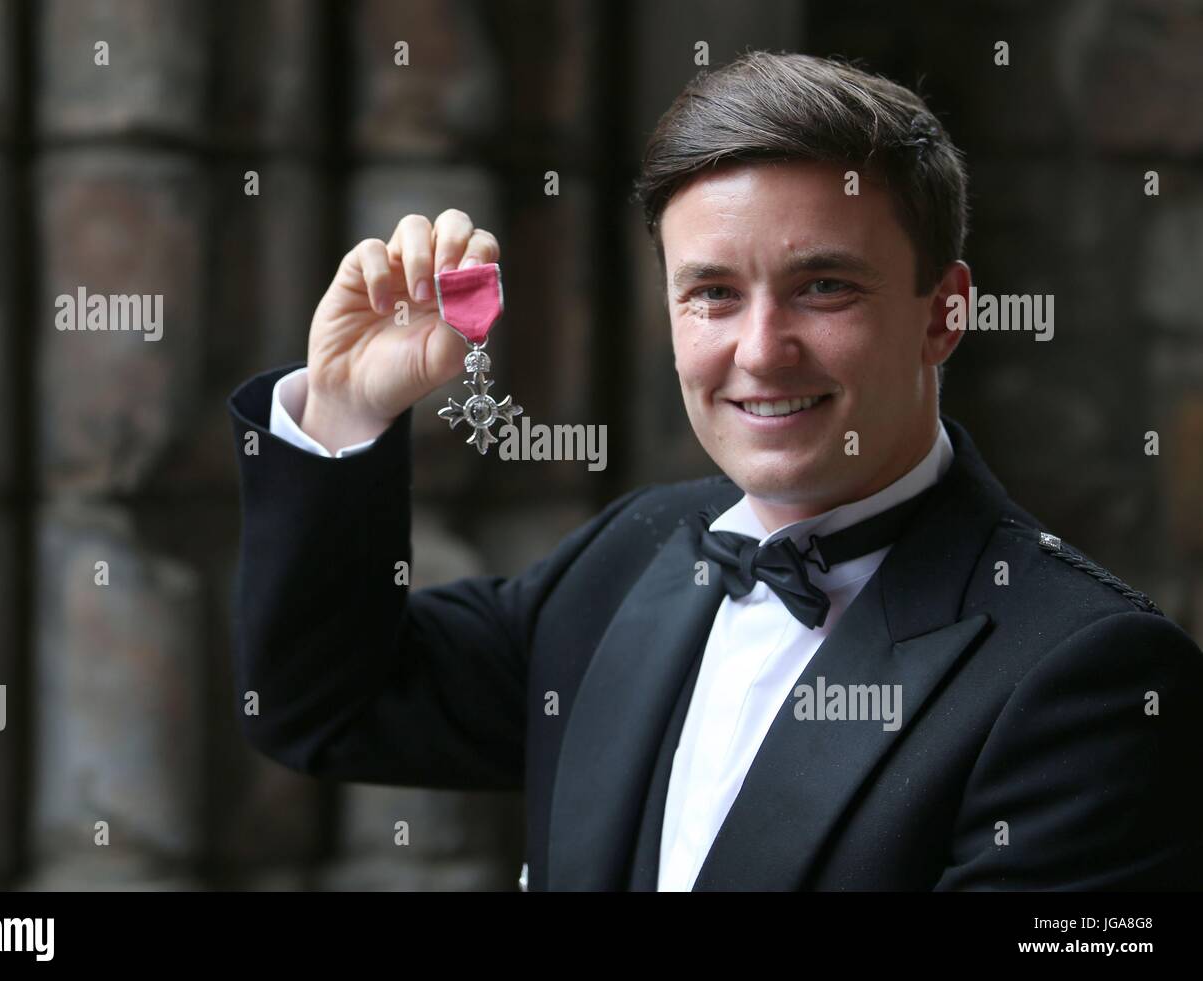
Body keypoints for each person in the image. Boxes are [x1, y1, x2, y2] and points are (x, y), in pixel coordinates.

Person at [227, 51, 1203, 890]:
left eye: (824, 287)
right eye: (713, 294)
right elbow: (325, 705)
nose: (760, 350)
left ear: (943, 312)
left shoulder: (1092, 677)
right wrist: (347, 408)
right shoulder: (627, 557)